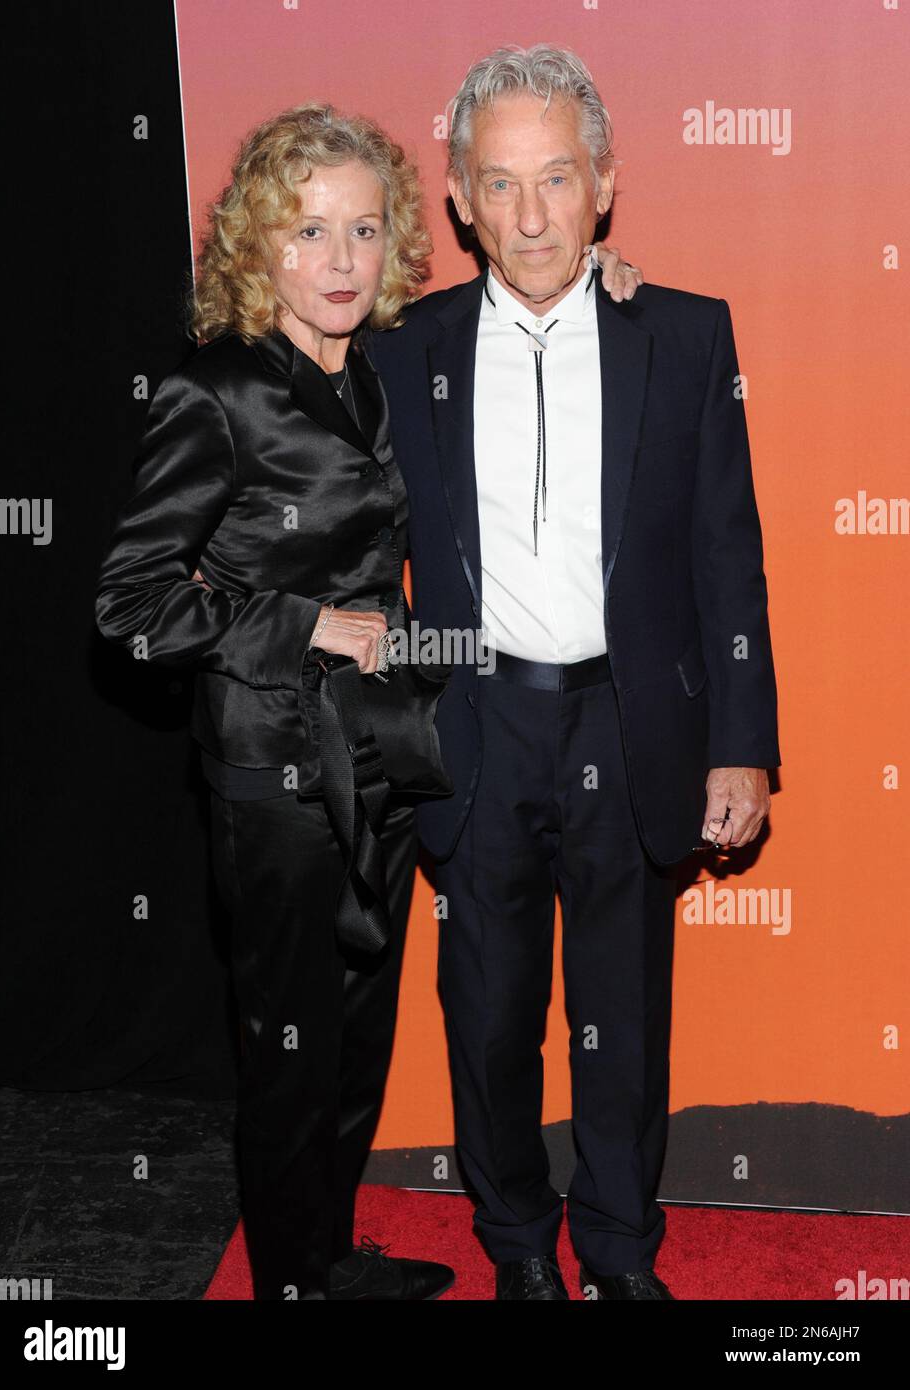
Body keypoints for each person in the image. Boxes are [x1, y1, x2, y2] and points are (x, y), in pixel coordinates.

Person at [94, 100, 640, 1300]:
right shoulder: (217, 390)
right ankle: (290, 1279)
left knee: (352, 1032)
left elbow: (526, 317)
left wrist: (609, 281)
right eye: (308, 232)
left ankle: (330, 1253)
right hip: (273, 775)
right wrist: (301, 624)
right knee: (287, 1048)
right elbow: (129, 604)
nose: (338, 259)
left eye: (361, 230)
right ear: (258, 244)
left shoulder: (383, 366)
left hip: (383, 756)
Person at [369, 44, 781, 1300]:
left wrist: (742, 743)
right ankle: (516, 1249)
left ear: (605, 184)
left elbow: (728, 554)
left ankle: (617, 1251)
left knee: (625, 1024)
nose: (533, 215)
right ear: (458, 198)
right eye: (500, 184)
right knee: (489, 1021)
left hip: (631, 724)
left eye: (558, 177)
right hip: (476, 726)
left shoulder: (685, 335)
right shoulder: (403, 349)